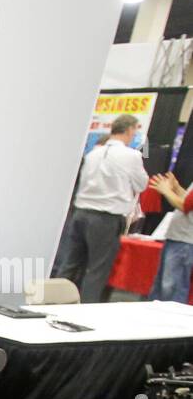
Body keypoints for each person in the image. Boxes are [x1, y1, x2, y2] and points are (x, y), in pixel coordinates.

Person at [51, 113, 149, 303]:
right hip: (106, 218)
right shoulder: (131, 156)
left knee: (69, 264)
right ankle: (86, 312)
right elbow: (142, 184)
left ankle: (52, 304)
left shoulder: (93, 153)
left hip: (81, 213)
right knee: (97, 270)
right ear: (129, 130)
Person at [145, 171, 193, 303]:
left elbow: (184, 206)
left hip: (185, 240)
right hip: (179, 238)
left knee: (171, 288)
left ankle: (168, 321)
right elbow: (188, 200)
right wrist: (176, 188)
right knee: (162, 286)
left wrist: (166, 191)